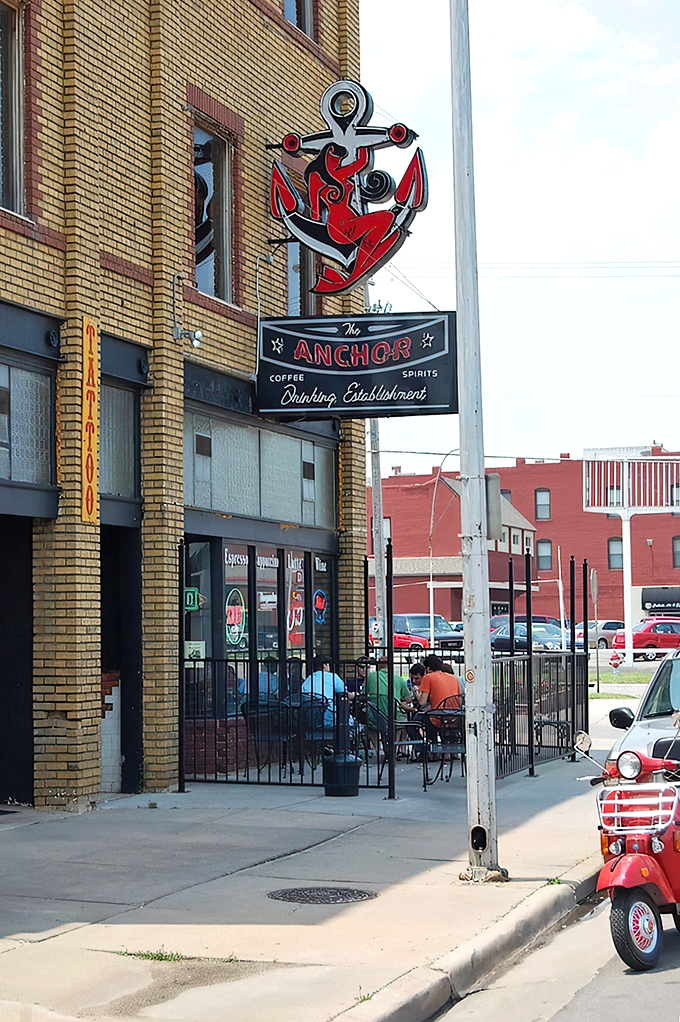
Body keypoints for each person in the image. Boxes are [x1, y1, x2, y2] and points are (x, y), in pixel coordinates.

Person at [416, 653, 463, 741]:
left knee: (416, 720)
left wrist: (416, 691)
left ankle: (429, 746)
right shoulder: (453, 678)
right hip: (454, 716)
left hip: (437, 718)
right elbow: (459, 701)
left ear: (428, 668)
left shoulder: (428, 677)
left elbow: (422, 702)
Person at [301, 655, 349, 726]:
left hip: (310, 717)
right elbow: (343, 691)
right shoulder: (332, 676)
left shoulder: (308, 680)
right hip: (328, 714)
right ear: (325, 665)